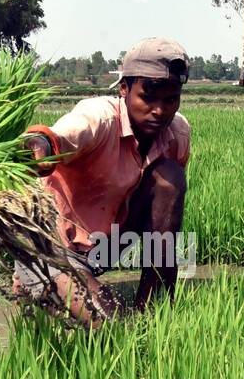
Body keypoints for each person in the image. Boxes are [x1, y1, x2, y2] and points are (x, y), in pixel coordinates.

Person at [15, 36, 191, 326]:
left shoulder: (177, 133)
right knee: (111, 326)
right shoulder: (98, 118)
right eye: (147, 97)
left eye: (170, 99)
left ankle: (155, 311)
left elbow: (165, 213)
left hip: (104, 246)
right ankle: (36, 280)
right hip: (52, 247)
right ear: (124, 89)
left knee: (170, 177)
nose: (159, 110)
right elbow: (57, 137)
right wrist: (40, 145)